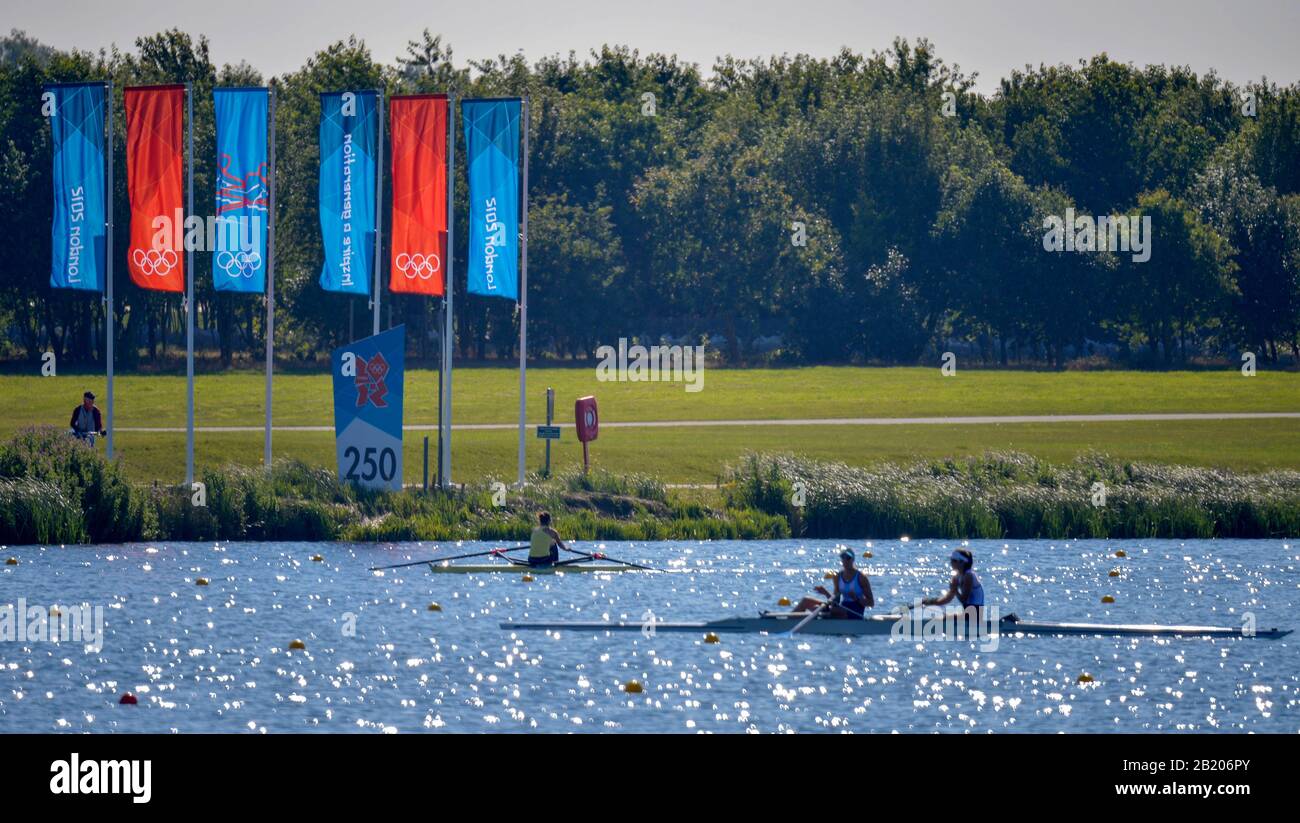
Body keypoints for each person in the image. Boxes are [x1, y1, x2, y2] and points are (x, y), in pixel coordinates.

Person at [793, 548, 874, 619]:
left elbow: (871, 603)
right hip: (842, 608)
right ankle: (787, 621)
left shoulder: (861, 578)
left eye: (848, 558)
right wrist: (825, 592)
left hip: (855, 612)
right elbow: (835, 601)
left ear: (853, 560)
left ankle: (818, 618)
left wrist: (857, 598)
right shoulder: (838, 576)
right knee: (806, 601)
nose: (845, 560)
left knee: (822, 609)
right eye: (843, 557)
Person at [922, 548, 985, 618]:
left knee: (945, 618)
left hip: (976, 614)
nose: (951, 563)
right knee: (943, 618)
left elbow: (964, 600)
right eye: (951, 560)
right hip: (967, 613)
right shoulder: (956, 577)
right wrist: (931, 602)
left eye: (954, 560)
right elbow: (948, 598)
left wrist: (955, 591)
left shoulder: (969, 576)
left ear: (962, 562)